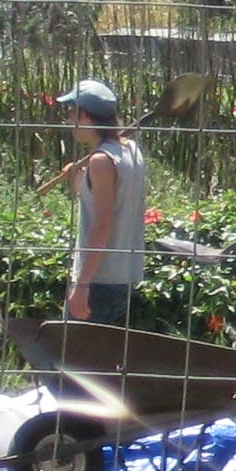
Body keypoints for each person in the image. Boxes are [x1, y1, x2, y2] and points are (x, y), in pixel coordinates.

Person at [53, 79, 148, 329]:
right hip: (123, 276)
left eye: (71, 113)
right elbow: (106, 199)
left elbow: (102, 224)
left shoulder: (101, 161)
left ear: (84, 116)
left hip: (99, 280)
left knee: (72, 350)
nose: (68, 121)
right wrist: (78, 179)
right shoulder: (131, 151)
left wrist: (82, 284)